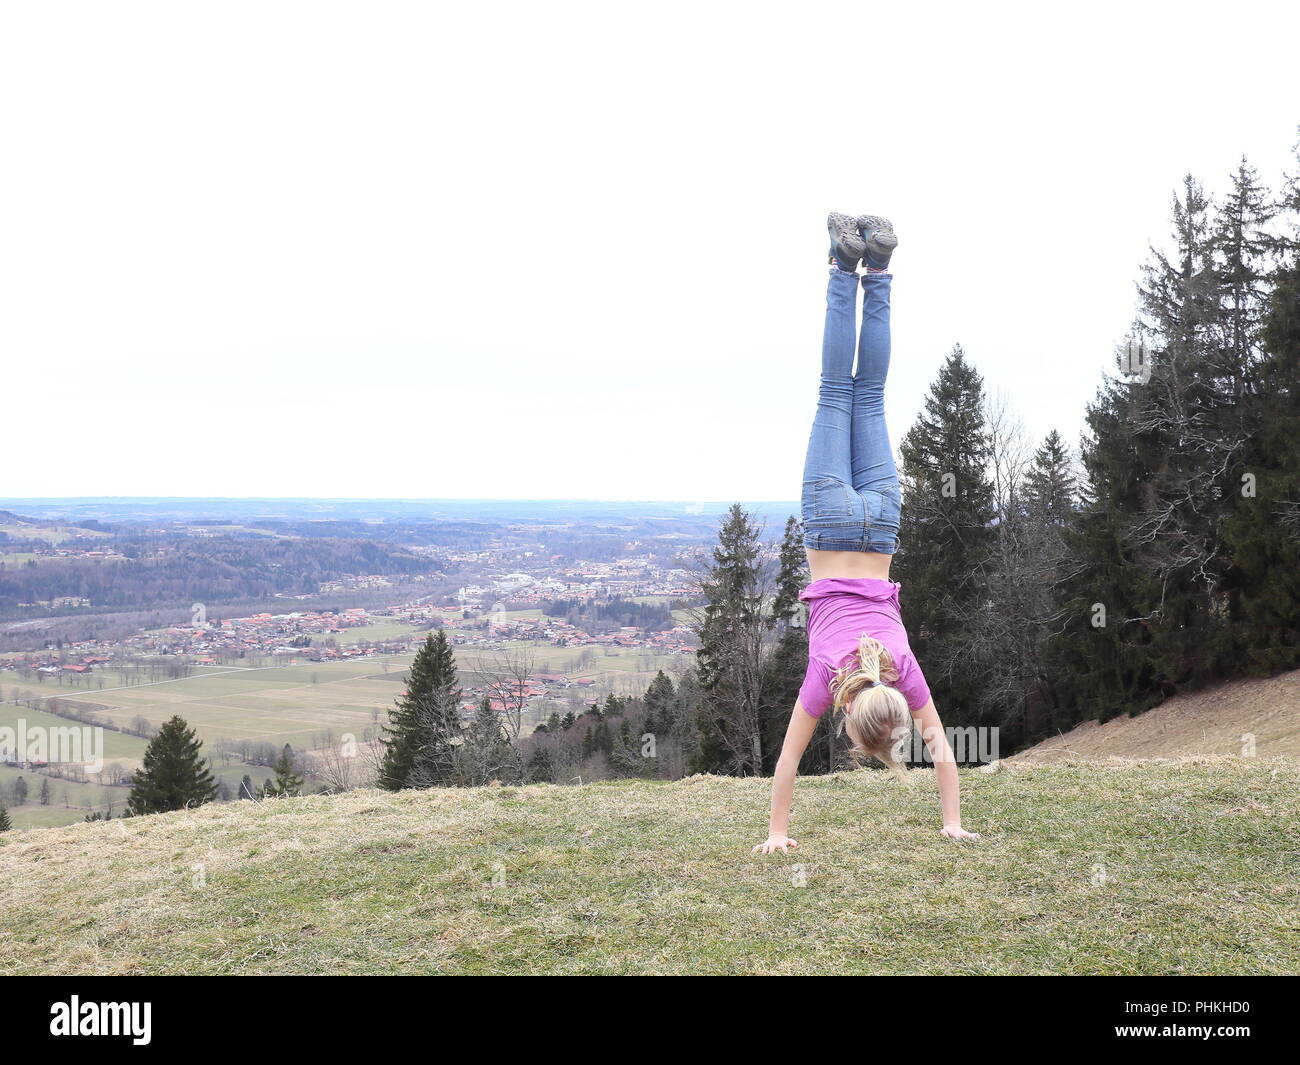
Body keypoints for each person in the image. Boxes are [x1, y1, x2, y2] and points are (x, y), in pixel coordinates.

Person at [753, 212, 980, 855]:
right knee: (836, 391)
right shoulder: (826, 678)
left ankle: (876, 266)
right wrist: (776, 834)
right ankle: (840, 262)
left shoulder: (903, 672)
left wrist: (953, 820)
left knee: (870, 394)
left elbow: (943, 755)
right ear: (850, 721)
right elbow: (789, 762)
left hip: (880, 527)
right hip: (829, 524)